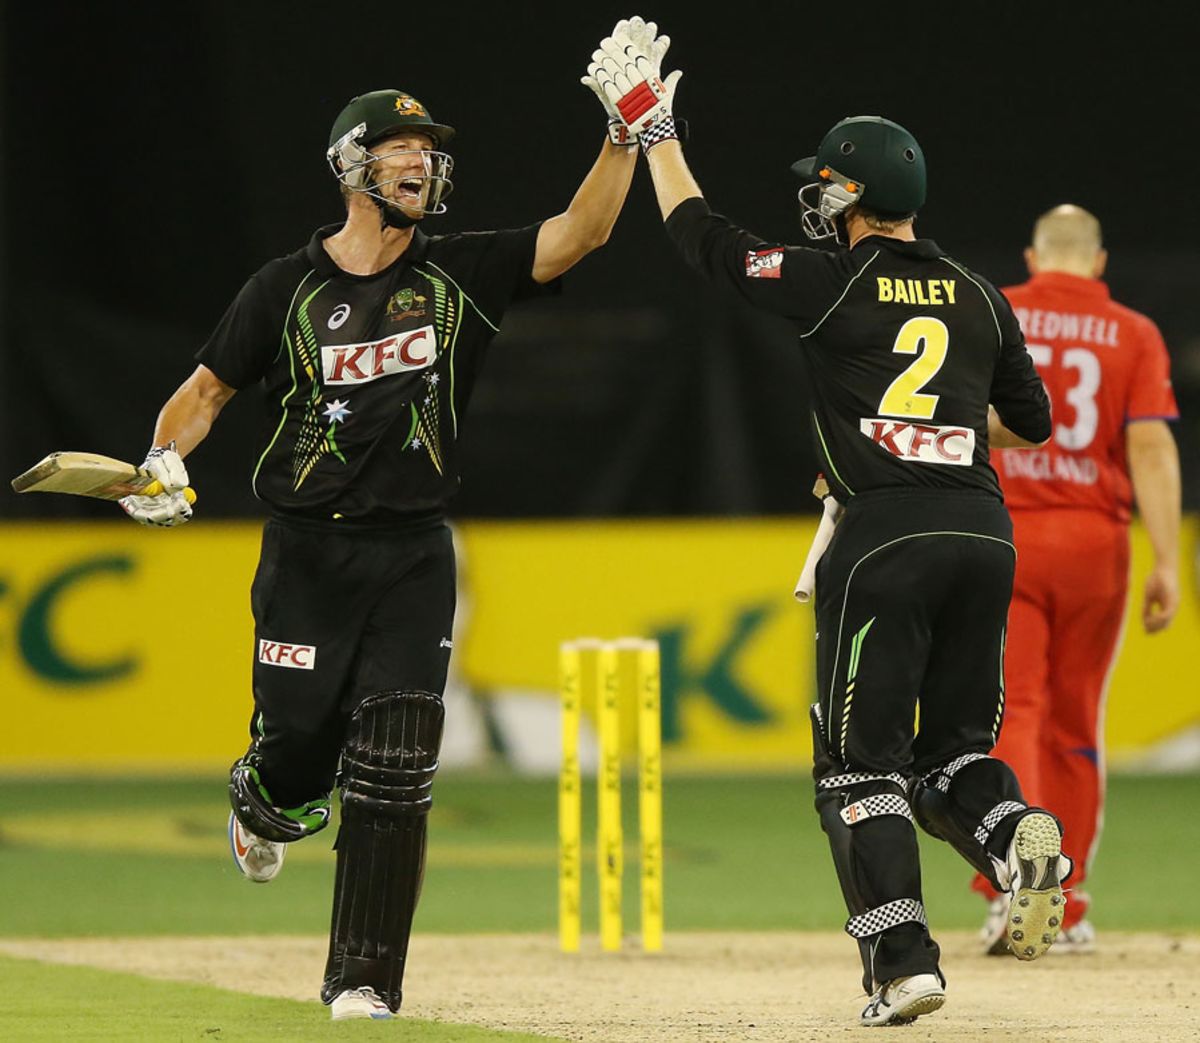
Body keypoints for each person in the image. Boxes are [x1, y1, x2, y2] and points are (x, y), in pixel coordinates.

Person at [117, 20, 656, 1016]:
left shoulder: (461, 273)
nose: (421, 160)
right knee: (296, 749)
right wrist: (160, 461)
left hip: (413, 551)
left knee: (400, 762)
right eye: (401, 147)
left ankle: (363, 978)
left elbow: (581, 232)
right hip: (306, 553)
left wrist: (626, 134)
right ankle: (266, 801)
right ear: (350, 166)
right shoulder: (284, 288)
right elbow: (203, 392)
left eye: (428, 150)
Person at [589, 24, 1072, 1027]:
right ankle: (1015, 826)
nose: (816, 196)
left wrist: (656, 130)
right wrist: (932, 430)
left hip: (883, 535)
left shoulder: (833, 281)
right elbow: (1032, 423)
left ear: (850, 196)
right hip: (984, 532)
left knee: (858, 765)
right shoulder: (981, 295)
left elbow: (699, 236)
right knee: (949, 757)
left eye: (825, 184)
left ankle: (903, 965)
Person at [972, 205, 1181, 953]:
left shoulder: (991, 308)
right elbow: (1151, 447)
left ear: (1033, 257)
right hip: (1095, 544)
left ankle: (1012, 883)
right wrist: (1167, 559)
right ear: (1098, 263)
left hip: (1004, 533)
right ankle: (1069, 895)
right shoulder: (1134, 331)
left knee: (1012, 710)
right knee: (1075, 719)